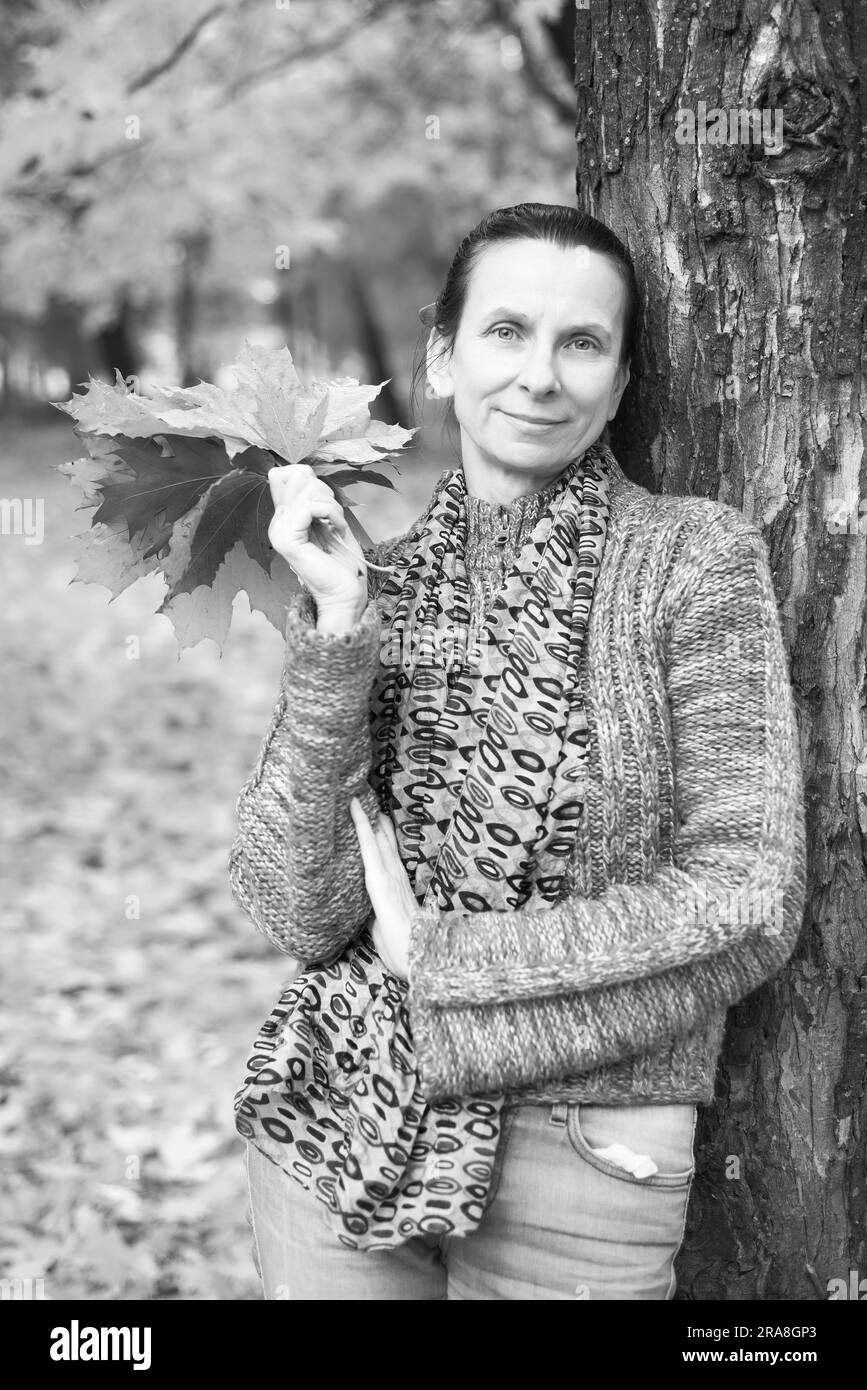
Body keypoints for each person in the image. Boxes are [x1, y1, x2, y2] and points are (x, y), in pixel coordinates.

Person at [228, 203, 806, 1301]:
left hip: (584, 1148)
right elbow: (300, 908)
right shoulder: (377, 582)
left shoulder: (690, 561)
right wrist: (341, 634)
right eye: (505, 332)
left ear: (621, 380)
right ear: (443, 357)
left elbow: (749, 897)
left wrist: (446, 963)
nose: (540, 375)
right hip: (345, 1108)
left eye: (582, 342)